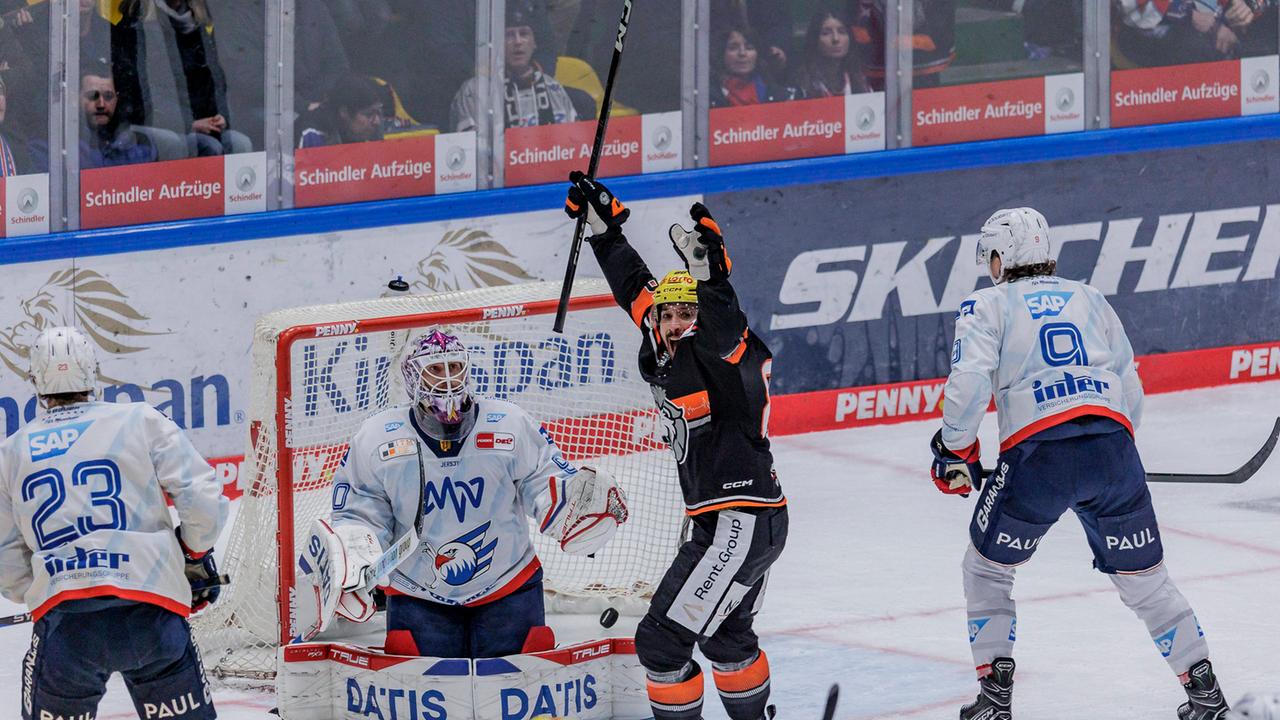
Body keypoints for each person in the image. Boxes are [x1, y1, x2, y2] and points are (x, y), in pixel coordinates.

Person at [930, 208, 1230, 720]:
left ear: (1001, 259)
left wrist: (955, 450)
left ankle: (995, 697)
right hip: (1114, 450)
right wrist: (1109, 452)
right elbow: (1129, 388)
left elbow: (969, 385)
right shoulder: (1090, 297)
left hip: (1038, 458)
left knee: (986, 570)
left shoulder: (986, 304)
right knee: (1147, 580)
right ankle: (1206, 693)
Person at [564, 173, 788, 720]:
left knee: (662, 645)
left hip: (740, 521)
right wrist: (603, 230)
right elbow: (636, 289)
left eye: (685, 312)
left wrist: (709, 277)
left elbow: (726, 327)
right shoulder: (663, 339)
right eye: (668, 314)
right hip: (732, 523)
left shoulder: (720, 348)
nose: (673, 321)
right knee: (726, 642)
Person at [310, 328, 629, 658]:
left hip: (509, 585)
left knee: (520, 692)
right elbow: (360, 507)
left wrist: (573, 510)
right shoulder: (376, 436)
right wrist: (356, 562)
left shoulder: (509, 422)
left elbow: (543, 479)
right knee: (422, 697)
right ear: (412, 374)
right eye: (435, 369)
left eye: (455, 367)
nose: (448, 379)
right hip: (418, 591)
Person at [0, 326, 227, 720]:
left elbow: (6, 559)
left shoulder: (10, 451)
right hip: (152, 612)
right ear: (94, 373)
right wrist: (192, 554)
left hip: (67, 630)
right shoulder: (140, 419)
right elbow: (203, 498)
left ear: (35, 381)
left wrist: (38, 590)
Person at [450, 0, 579, 131]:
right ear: (497, 44)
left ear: (534, 43)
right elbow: (472, 149)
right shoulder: (474, 92)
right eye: (509, 35)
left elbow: (572, 144)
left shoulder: (553, 88)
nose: (518, 42)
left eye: (523, 34)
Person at [75, 64, 158, 168]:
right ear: (75, 99)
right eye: (92, 96)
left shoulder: (139, 144)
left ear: (116, 99)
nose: (101, 105)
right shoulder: (59, 147)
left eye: (108, 96)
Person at [711, 24, 798, 108]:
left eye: (749, 48)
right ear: (722, 54)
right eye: (733, 48)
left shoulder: (778, 94)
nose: (742, 53)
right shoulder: (709, 95)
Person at [790, 9, 871, 98]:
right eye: (826, 33)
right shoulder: (801, 85)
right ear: (814, 39)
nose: (836, 39)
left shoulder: (860, 83)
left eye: (842, 32)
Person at [297, 73, 385, 148]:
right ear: (344, 112)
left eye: (378, 113)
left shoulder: (371, 133)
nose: (376, 121)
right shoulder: (312, 135)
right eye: (369, 114)